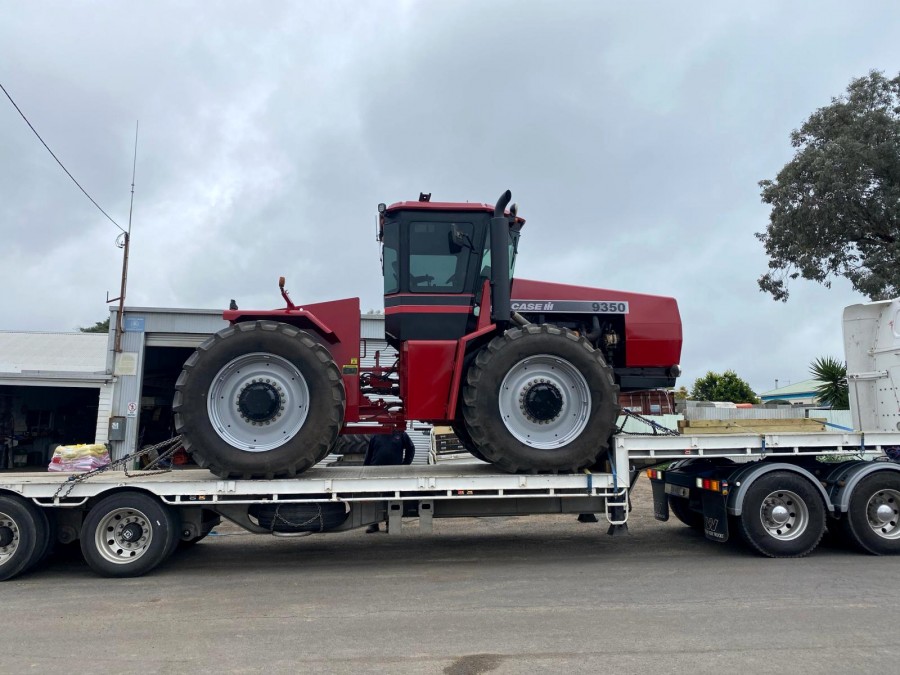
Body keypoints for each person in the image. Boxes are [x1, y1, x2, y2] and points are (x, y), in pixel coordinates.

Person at [364, 428, 415, 533]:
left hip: (394, 473)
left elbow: (411, 448)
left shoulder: (401, 434)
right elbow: (369, 453)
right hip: (375, 472)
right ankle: (373, 525)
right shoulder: (376, 434)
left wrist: (405, 464)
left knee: (391, 499)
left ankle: (389, 523)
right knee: (375, 499)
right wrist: (365, 469)